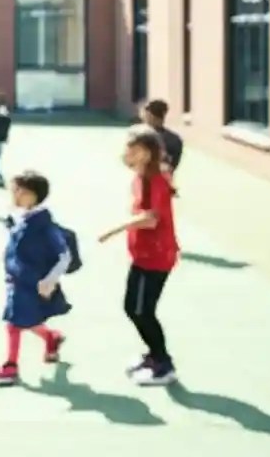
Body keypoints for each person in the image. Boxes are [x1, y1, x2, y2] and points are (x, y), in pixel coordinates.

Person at [98, 126, 180, 386]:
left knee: (144, 311)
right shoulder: (140, 177)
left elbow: (151, 219)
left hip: (157, 257)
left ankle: (163, 365)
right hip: (142, 255)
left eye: (132, 150)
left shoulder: (156, 180)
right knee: (131, 308)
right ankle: (154, 356)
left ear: (146, 153)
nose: (127, 154)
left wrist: (115, 229)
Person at [0, 171, 72, 387]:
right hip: (18, 278)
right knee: (25, 318)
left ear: (33, 195)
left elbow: (65, 255)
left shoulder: (44, 226)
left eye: (20, 191)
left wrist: (50, 280)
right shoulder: (23, 216)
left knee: (14, 322)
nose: (14, 194)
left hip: (31, 282)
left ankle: (11, 366)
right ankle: (51, 337)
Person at [140, 98, 184, 177]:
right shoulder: (175, 139)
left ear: (153, 117)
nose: (144, 119)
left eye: (147, 116)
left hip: (159, 180)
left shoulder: (142, 137)